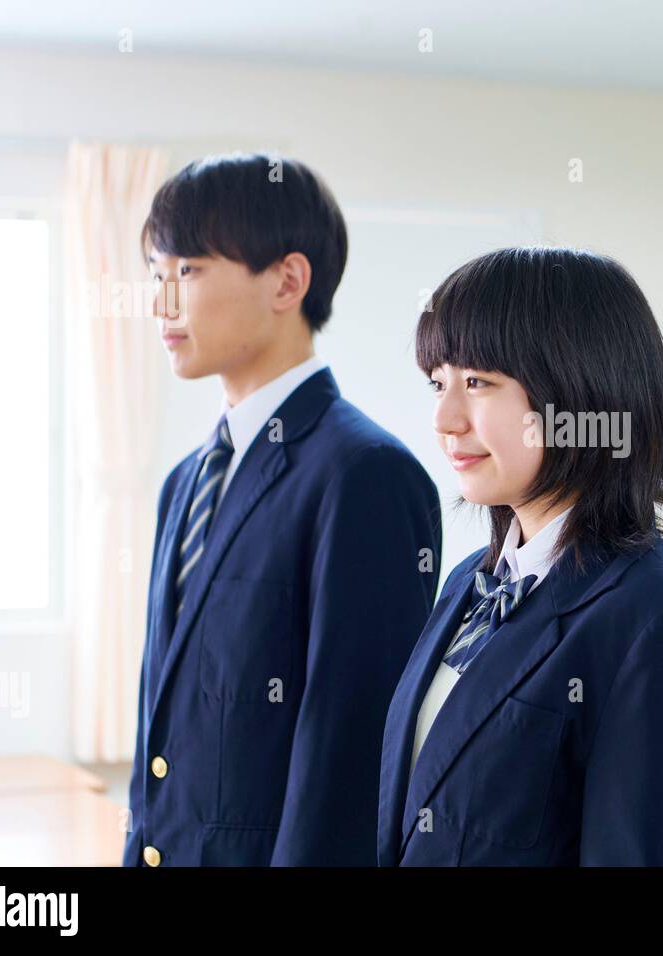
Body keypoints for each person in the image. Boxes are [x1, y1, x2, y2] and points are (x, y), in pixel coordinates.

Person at [123, 154, 441, 866]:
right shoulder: (187, 480)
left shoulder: (364, 475)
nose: (161, 304)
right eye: (155, 275)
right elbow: (163, 729)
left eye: (188, 271)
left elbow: (349, 751)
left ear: (287, 280)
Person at [377, 246, 663, 865]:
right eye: (438, 383)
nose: (444, 417)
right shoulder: (474, 580)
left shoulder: (658, 621)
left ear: (577, 395)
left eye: (478, 383)